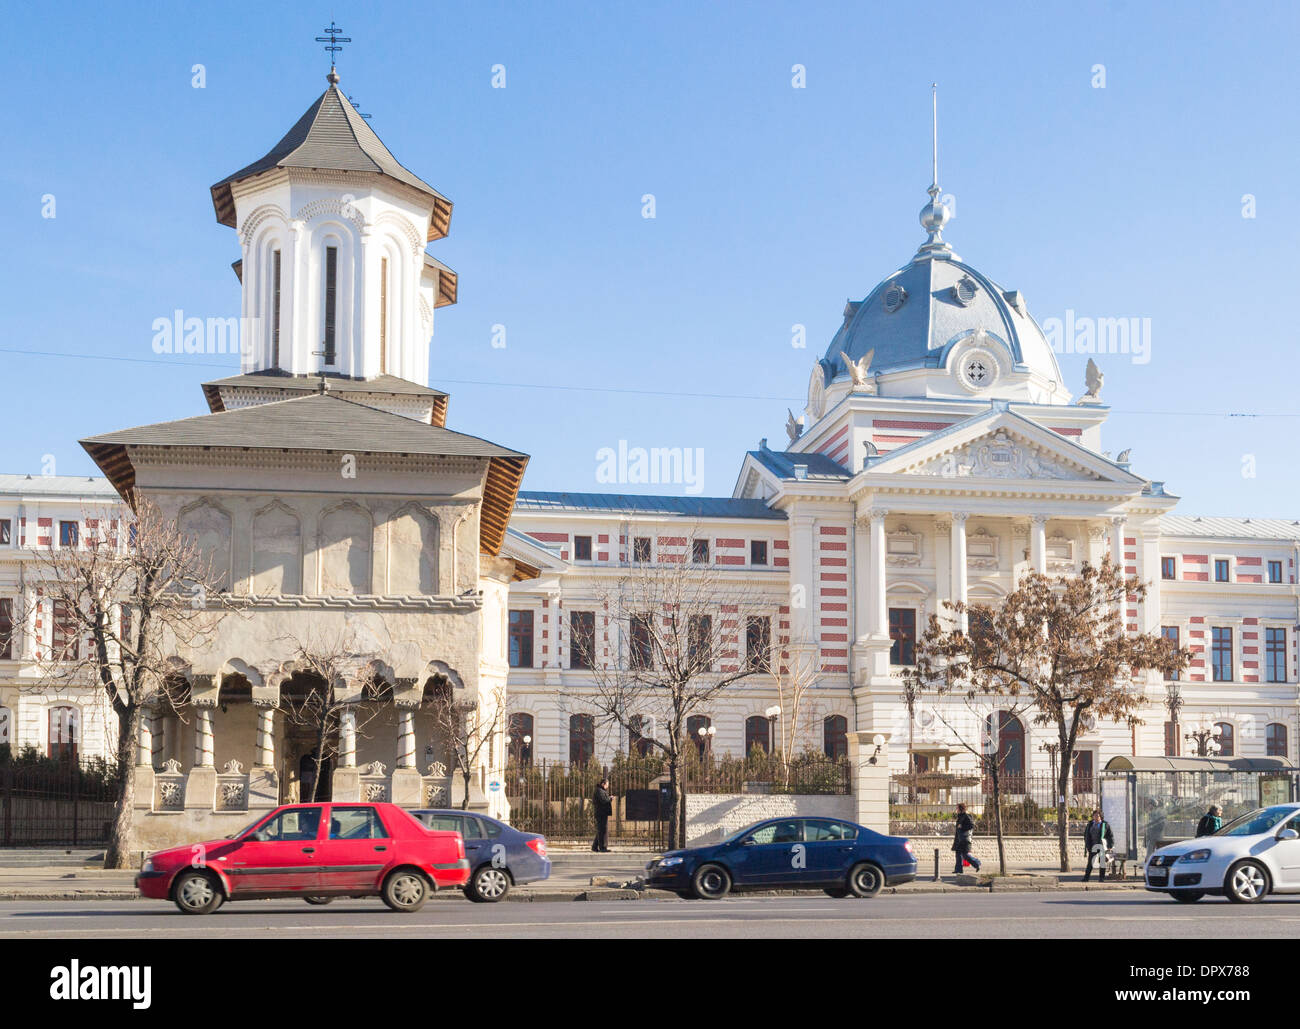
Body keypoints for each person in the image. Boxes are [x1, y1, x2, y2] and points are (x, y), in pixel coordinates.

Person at [1083, 809, 1115, 882]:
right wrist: (1087, 844)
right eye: (1095, 815)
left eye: (1098, 815)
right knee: (1090, 863)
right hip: (1092, 846)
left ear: (1101, 816)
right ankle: (1086, 878)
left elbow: (1110, 836)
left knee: (1102, 863)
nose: (1096, 817)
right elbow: (1086, 835)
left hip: (1102, 846)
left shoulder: (1105, 824)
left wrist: (1110, 845)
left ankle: (1101, 878)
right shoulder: (1090, 824)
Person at [952, 802, 981, 874]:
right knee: (958, 853)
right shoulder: (960, 816)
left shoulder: (966, 815)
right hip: (960, 839)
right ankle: (958, 869)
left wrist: (962, 827)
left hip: (965, 839)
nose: (956, 809)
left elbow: (972, 825)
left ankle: (977, 863)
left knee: (965, 855)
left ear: (960, 808)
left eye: (957, 808)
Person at [592, 777, 613, 853]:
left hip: (602, 813)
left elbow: (603, 799)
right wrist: (610, 798)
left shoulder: (601, 790)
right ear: (603, 784)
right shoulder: (599, 791)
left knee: (600, 830)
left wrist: (608, 798)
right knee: (602, 831)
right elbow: (603, 800)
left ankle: (594, 847)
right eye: (607, 785)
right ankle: (602, 848)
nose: (608, 786)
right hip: (601, 814)